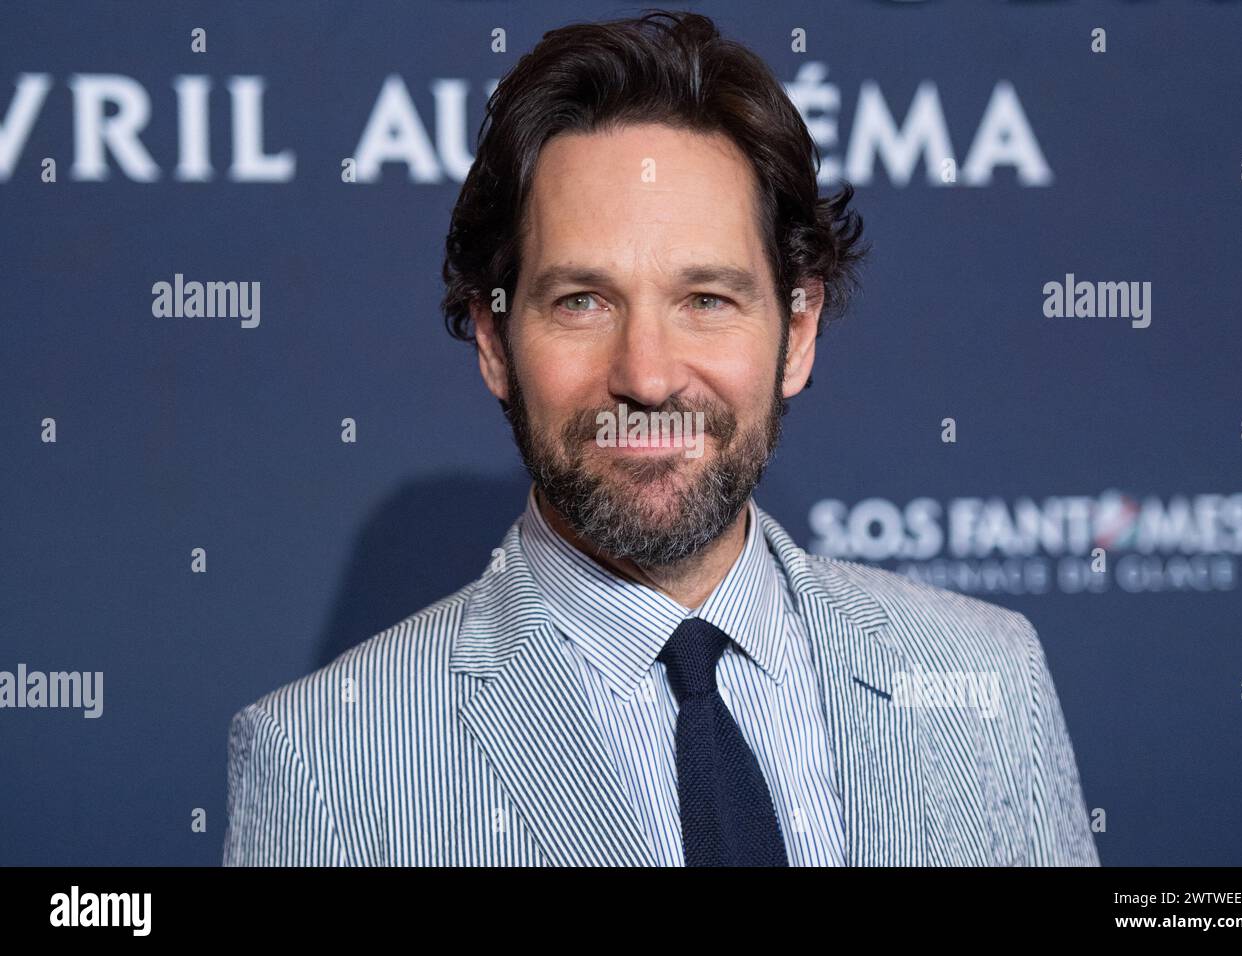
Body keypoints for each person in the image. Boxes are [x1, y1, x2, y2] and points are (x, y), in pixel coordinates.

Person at [223, 9, 1099, 866]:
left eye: (706, 300)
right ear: (493, 341)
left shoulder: (990, 677)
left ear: (797, 333)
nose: (647, 377)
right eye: (582, 302)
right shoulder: (326, 762)